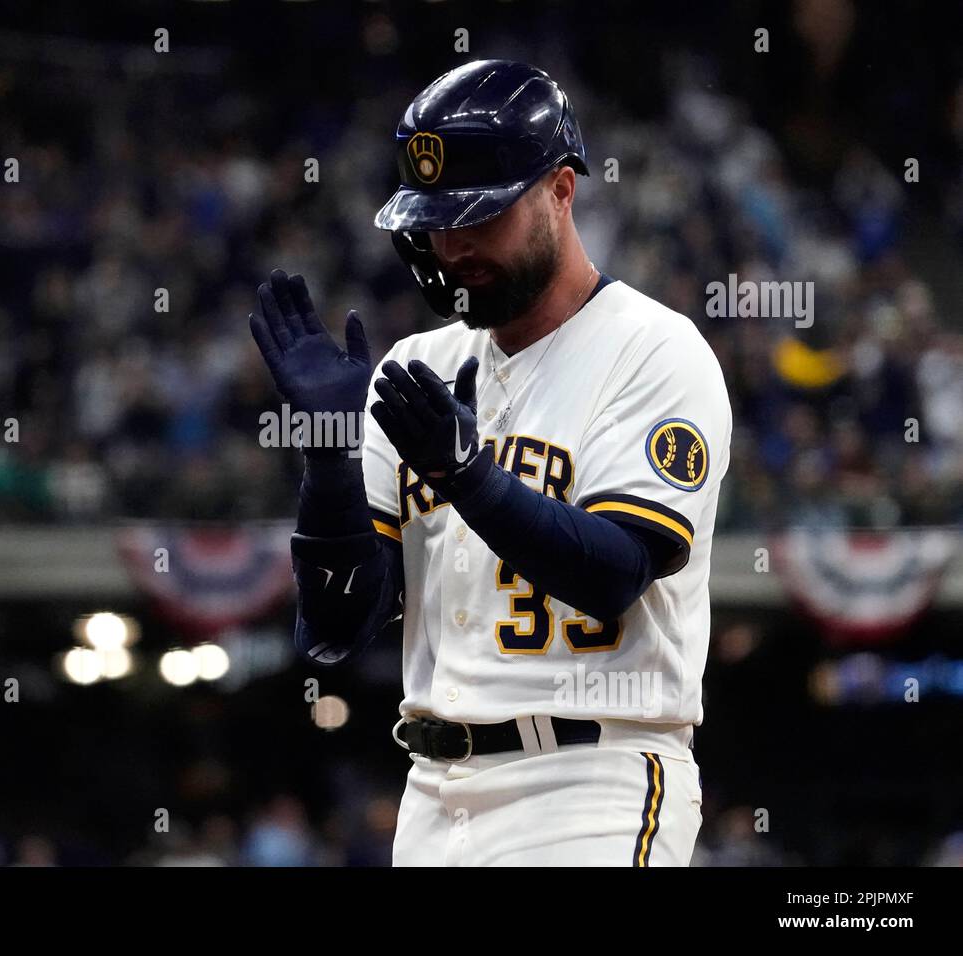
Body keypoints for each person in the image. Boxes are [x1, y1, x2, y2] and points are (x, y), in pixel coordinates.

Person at [250, 60, 731, 866]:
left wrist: (468, 474)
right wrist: (329, 467)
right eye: (436, 221)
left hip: (594, 781)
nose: (455, 245)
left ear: (560, 190)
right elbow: (333, 630)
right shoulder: (419, 362)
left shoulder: (654, 350)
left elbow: (613, 572)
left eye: (480, 216)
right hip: (433, 793)